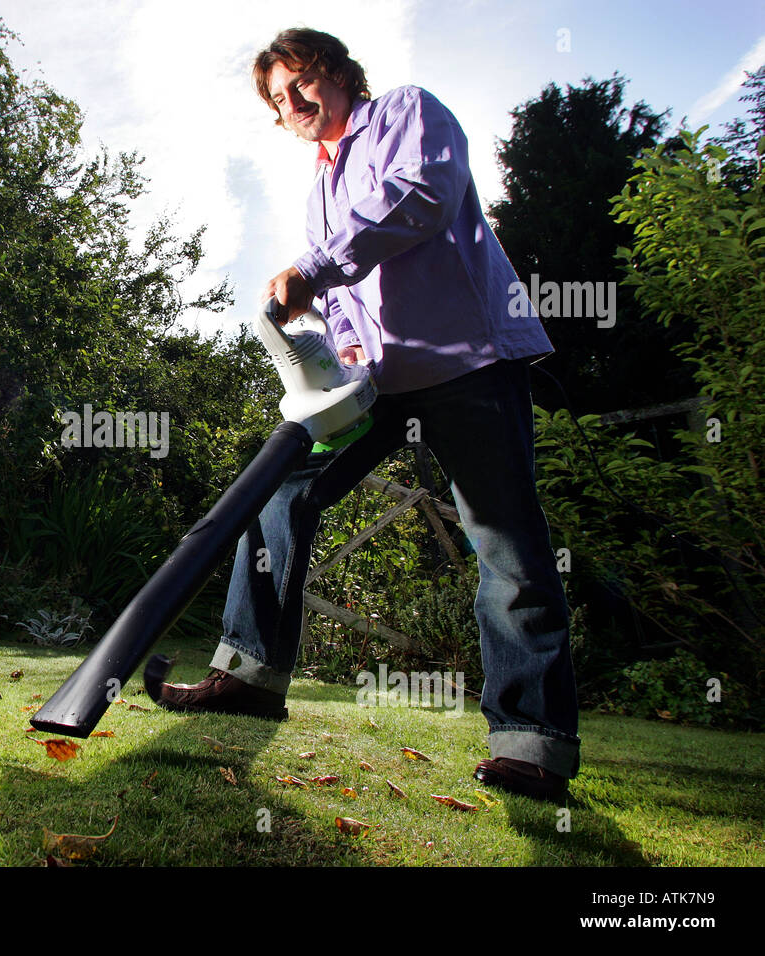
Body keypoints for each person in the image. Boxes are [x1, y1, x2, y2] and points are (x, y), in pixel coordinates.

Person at [147, 28, 580, 802]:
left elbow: (420, 198)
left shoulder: (407, 114)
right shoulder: (317, 187)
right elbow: (344, 305)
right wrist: (331, 359)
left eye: (302, 83)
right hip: (375, 385)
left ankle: (532, 745)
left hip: (467, 364)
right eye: (279, 100)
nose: (294, 104)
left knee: (506, 547)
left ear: (339, 73)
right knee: (276, 491)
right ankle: (248, 675)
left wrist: (311, 268)